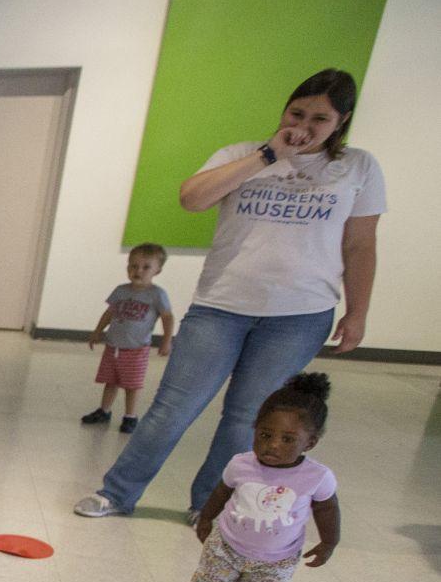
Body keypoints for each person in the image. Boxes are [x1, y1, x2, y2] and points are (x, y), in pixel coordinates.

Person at [75, 69, 383, 520]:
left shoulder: (358, 167)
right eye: (297, 112)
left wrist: (358, 312)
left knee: (247, 419)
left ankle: (209, 506)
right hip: (221, 306)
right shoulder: (243, 154)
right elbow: (192, 199)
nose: (306, 124)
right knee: (172, 408)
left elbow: (360, 245)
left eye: (320, 118)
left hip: (300, 314)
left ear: (342, 121)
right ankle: (117, 493)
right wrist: (268, 155)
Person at [157, 373, 339, 582]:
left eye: (288, 439)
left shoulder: (317, 477)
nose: (273, 446)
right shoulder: (241, 464)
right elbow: (221, 491)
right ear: (254, 429)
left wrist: (329, 542)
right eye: (265, 435)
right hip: (226, 547)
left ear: (310, 442)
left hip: (277, 560)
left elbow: (327, 509)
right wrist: (206, 518)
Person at [81, 243, 173, 433]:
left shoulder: (157, 295)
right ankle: (104, 411)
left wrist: (166, 340)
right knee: (110, 380)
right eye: (133, 266)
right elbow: (109, 313)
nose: (138, 271)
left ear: (158, 270)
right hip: (113, 346)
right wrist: (98, 331)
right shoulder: (121, 290)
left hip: (136, 349)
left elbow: (167, 317)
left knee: (131, 384)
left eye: (146, 267)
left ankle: (130, 416)